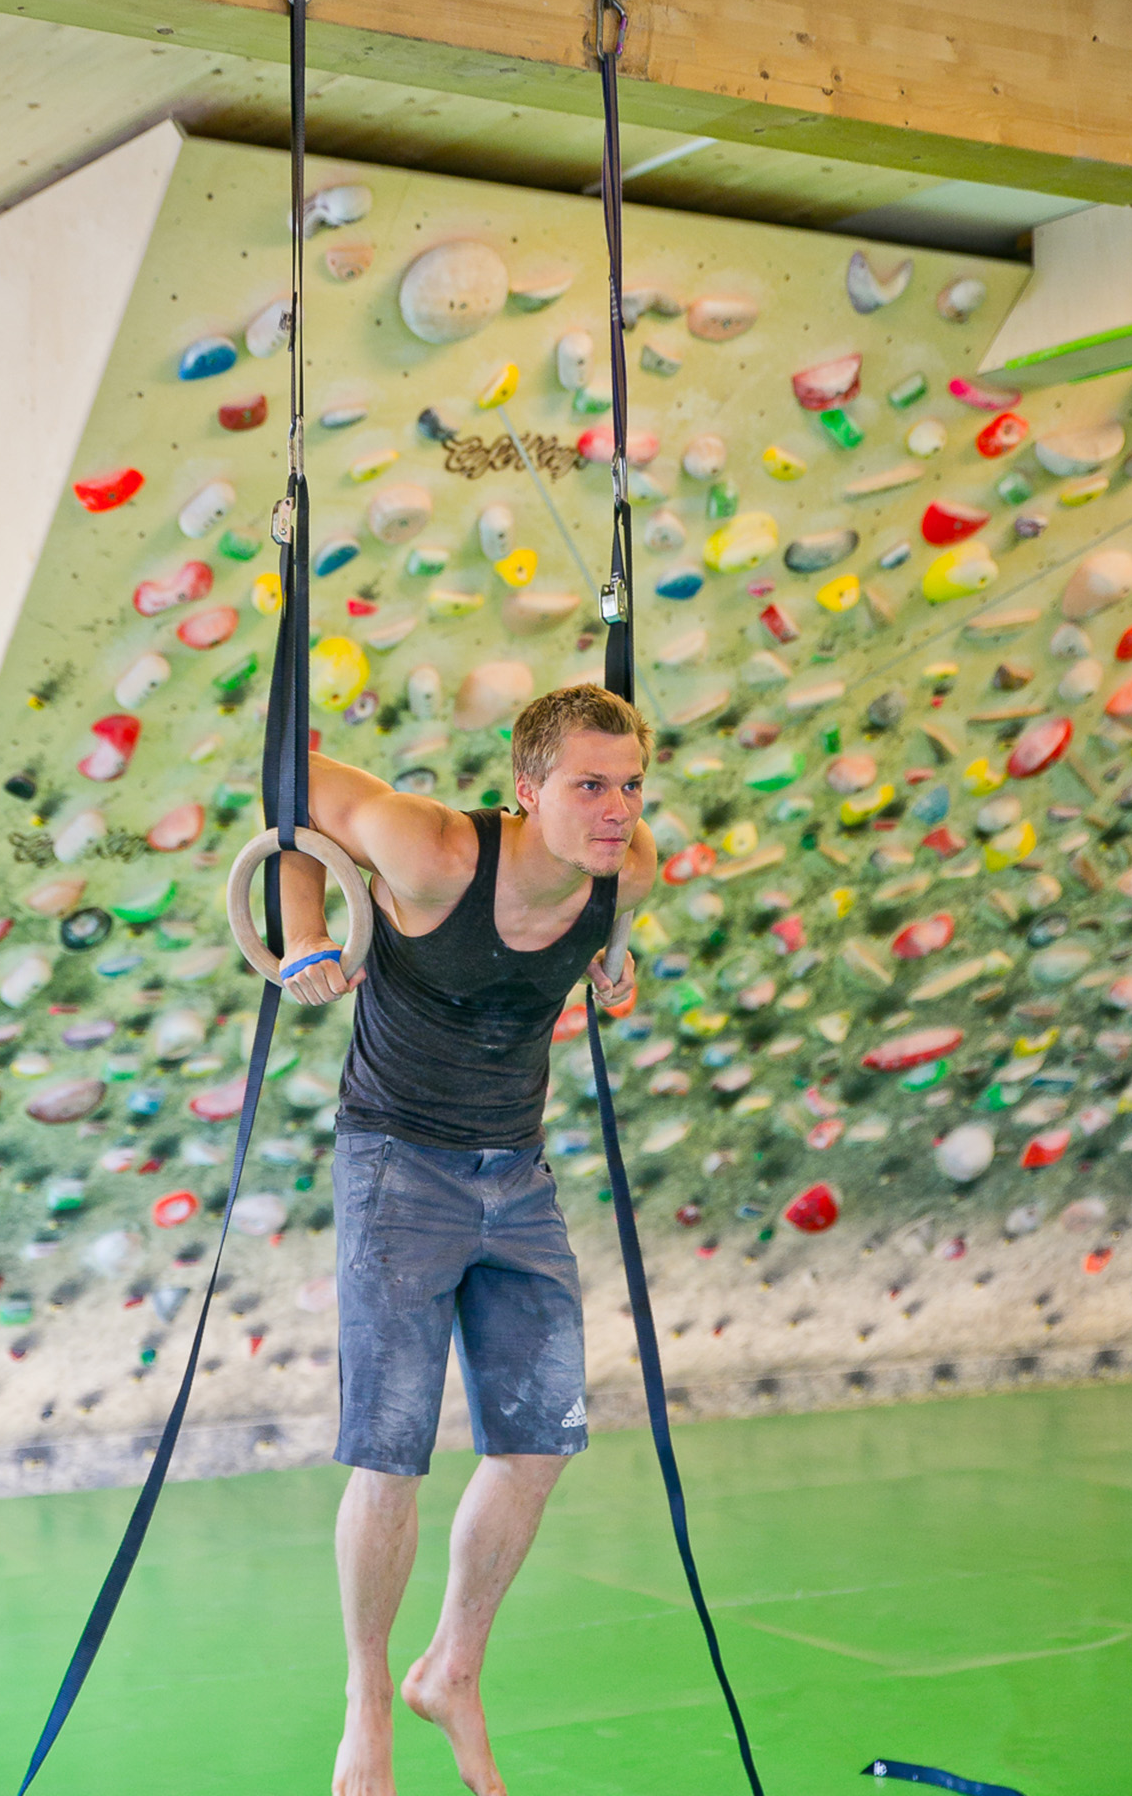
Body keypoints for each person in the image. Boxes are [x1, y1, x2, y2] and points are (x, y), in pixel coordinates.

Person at [276, 682, 656, 1796]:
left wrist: (612, 958)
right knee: (391, 1447)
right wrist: (304, 933)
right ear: (525, 789)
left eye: (631, 785)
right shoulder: (434, 852)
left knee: (540, 1441)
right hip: (397, 1161)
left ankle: (453, 1668)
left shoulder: (624, 873)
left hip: (517, 1173)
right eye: (589, 785)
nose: (617, 808)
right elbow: (286, 779)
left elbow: (615, 918)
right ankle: (365, 1693)